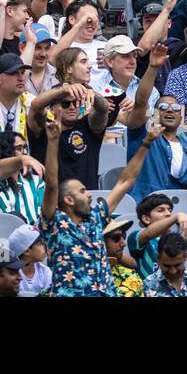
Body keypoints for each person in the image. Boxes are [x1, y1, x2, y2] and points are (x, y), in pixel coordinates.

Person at [39, 111, 153, 297]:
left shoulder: (96, 218)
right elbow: (52, 184)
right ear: (68, 199)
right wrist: (53, 142)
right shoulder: (53, 223)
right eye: (82, 191)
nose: (90, 194)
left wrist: (147, 143)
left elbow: (126, 181)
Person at [142, 232, 187, 297]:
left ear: (185, 257)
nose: (173, 271)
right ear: (158, 258)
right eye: (167, 266)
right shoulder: (149, 285)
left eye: (177, 265)